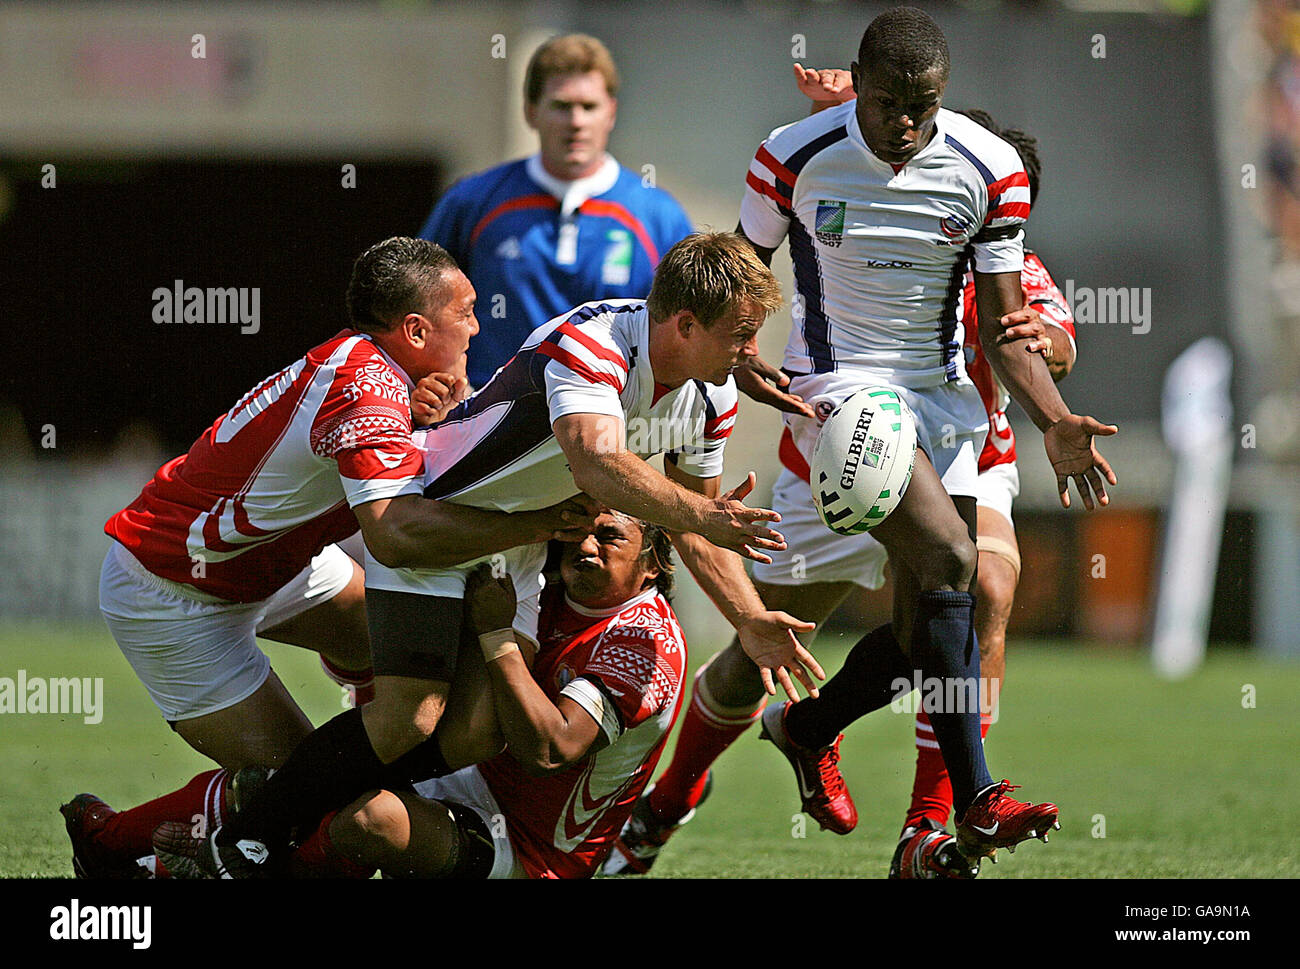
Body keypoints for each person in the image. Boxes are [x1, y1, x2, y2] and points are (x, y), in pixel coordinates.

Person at [606, 6, 1115, 874]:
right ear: (860, 87)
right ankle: (675, 800)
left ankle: (838, 754)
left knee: (945, 610)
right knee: (918, 576)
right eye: (888, 105)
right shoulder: (794, 154)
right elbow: (741, 265)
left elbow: (1009, 326)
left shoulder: (990, 171)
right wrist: (743, 358)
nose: (906, 125)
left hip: (945, 414)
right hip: (837, 403)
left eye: (923, 106)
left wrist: (1054, 418)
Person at [202, 231, 824, 878]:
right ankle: (251, 833)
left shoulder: (712, 396)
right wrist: (703, 514)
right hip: (440, 515)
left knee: (475, 731)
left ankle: (314, 799)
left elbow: (697, 525)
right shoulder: (591, 344)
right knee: (408, 717)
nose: (753, 352)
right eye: (741, 333)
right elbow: (600, 464)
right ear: (687, 324)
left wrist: (749, 618)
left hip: (520, 545)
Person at [65, 237, 594, 878]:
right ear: (417, 329)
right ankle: (115, 844)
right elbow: (394, 534)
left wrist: (437, 420)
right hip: (174, 595)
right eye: (468, 310)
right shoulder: (367, 387)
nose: (478, 325)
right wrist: (540, 522)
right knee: (307, 791)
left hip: (278, 565)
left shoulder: (380, 371)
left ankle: (366, 757)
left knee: (391, 703)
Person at [246, 512, 688, 880]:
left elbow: (551, 751)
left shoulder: (645, 642)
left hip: (529, 850)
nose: (587, 547)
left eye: (609, 537)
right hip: (462, 774)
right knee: (266, 780)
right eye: (581, 532)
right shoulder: (548, 582)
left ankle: (269, 866)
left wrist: (498, 635)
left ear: (653, 563)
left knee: (371, 822)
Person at [418, 34, 694, 388]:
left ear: (611, 112)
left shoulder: (659, 217)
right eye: (561, 106)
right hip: (488, 423)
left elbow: (693, 331)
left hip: (612, 421)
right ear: (531, 112)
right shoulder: (473, 201)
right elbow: (416, 306)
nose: (576, 121)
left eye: (589, 107)